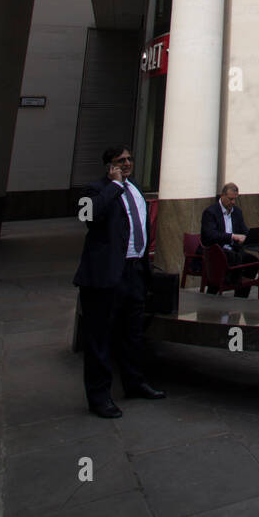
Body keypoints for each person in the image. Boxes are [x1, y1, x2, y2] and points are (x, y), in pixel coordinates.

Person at [73, 144, 166, 419]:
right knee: (100, 338)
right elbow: (87, 216)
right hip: (105, 275)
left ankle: (134, 382)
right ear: (108, 166)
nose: (126, 164)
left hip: (135, 273)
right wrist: (113, 187)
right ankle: (99, 396)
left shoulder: (136, 190)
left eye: (129, 159)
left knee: (132, 333)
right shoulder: (95, 190)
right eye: (119, 160)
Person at [200, 183, 259, 295]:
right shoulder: (210, 212)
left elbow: (243, 230)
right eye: (230, 199)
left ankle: (240, 295)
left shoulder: (237, 212)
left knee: (254, 262)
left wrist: (254, 236)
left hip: (233, 250)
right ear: (222, 196)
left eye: (235, 199)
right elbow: (210, 235)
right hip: (216, 251)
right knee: (232, 258)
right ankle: (225, 286)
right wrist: (232, 236)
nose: (233, 202)